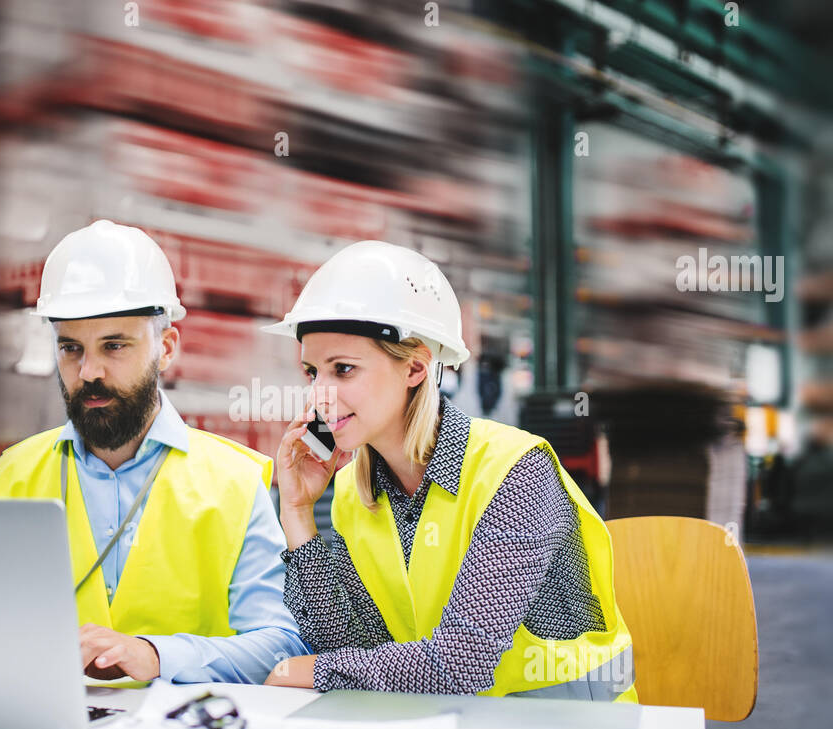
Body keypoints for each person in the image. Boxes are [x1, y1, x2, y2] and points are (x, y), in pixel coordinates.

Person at [259, 240, 637, 701]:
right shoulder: (353, 493)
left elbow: (457, 668)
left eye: (343, 370)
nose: (320, 395)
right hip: (447, 726)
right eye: (312, 372)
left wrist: (306, 671)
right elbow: (350, 649)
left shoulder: (515, 473)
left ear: (415, 369)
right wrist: (297, 513)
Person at [0, 220, 308, 683]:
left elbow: (281, 646)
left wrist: (159, 656)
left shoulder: (233, 482)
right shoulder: (14, 475)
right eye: (70, 348)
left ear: (166, 348)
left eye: (114, 346)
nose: (89, 371)